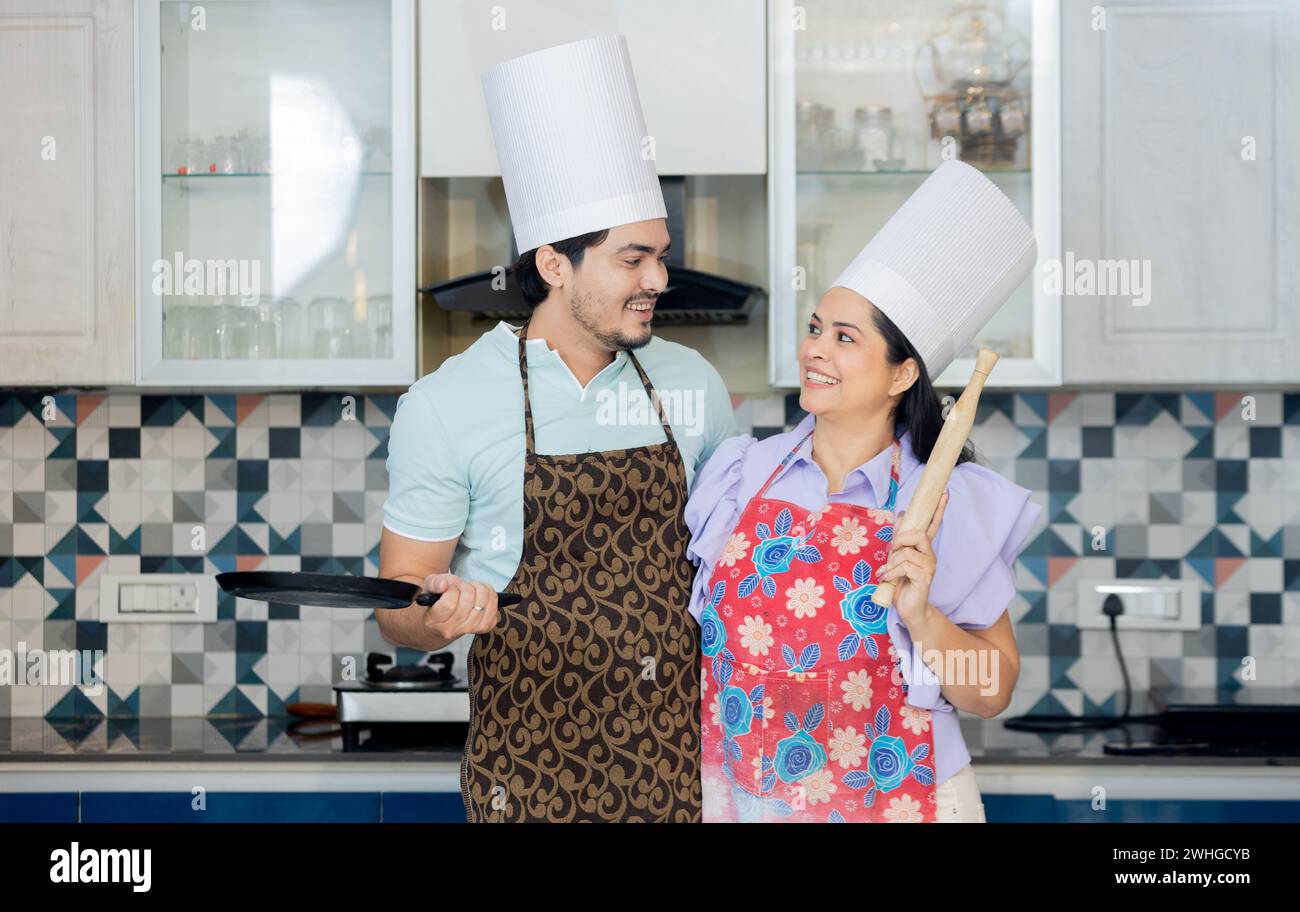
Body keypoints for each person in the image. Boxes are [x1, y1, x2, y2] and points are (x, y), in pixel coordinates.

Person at [376, 35, 735, 822]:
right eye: (632, 258)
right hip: (525, 779)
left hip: (686, 774)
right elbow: (398, 614)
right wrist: (434, 617)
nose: (658, 282)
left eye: (661, 256)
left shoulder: (695, 386)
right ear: (553, 264)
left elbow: (738, 577)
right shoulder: (445, 405)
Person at [684, 160, 1043, 823]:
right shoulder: (740, 475)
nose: (815, 349)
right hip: (748, 803)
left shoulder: (942, 504)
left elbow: (993, 692)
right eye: (816, 327)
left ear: (903, 372)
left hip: (902, 804)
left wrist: (923, 617)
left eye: (845, 338)